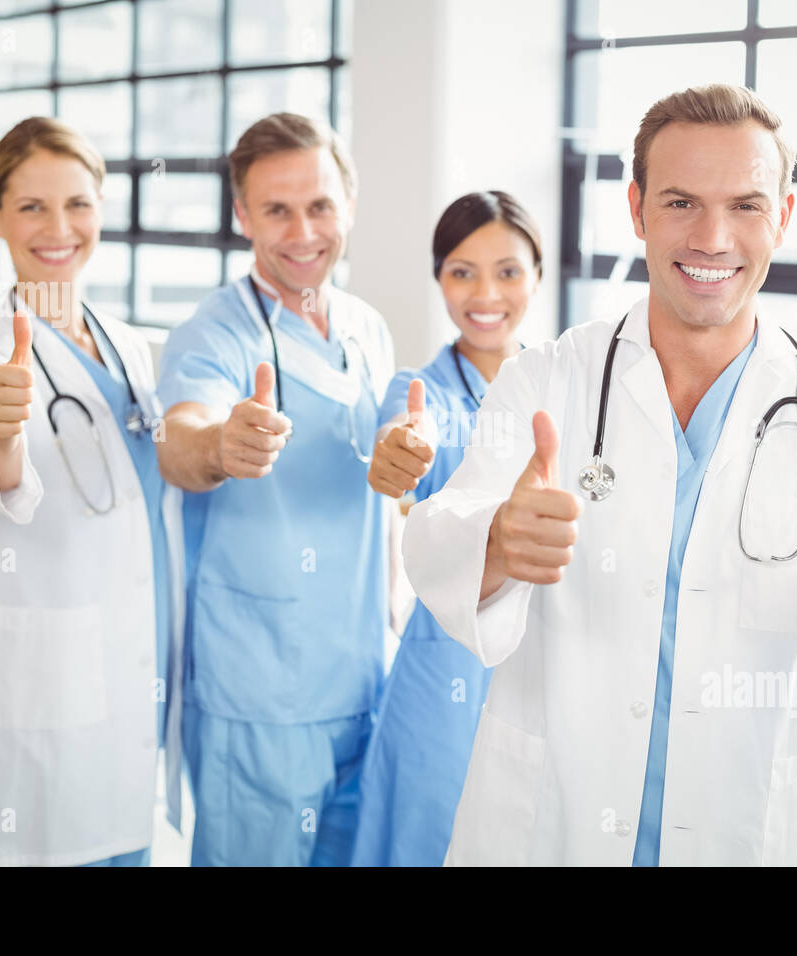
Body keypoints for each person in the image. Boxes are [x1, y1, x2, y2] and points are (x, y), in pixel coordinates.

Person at [403, 84, 797, 866]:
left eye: (746, 206)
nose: (713, 236)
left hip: (739, 824)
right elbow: (432, 542)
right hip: (552, 823)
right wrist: (496, 539)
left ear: (784, 218)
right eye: (680, 202)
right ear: (636, 210)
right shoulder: (547, 381)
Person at [0, 117, 183, 866]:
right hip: (47, 682)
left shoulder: (130, 344)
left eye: (78, 204)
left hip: (141, 652)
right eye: (31, 206)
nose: (58, 228)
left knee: (124, 837)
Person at [156, 112, 394, 867]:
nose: (302, 231)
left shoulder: (366, 329)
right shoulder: (216, 333)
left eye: (320, 205)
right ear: (242, 216)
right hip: (258, 691)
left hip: (360, 676)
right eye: (276, 210)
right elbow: (180, 437)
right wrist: (221, 445)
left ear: (349, 204)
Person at [352, 192, 542, 866]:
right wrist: (400, 455)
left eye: (508, 272)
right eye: (462, 272)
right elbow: (399, 451)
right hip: (445, 680)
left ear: (539, 276)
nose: (485, 294)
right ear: (439, 279)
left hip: (545, 663)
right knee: (426, 839)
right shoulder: (420, 393)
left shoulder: (566, 388)